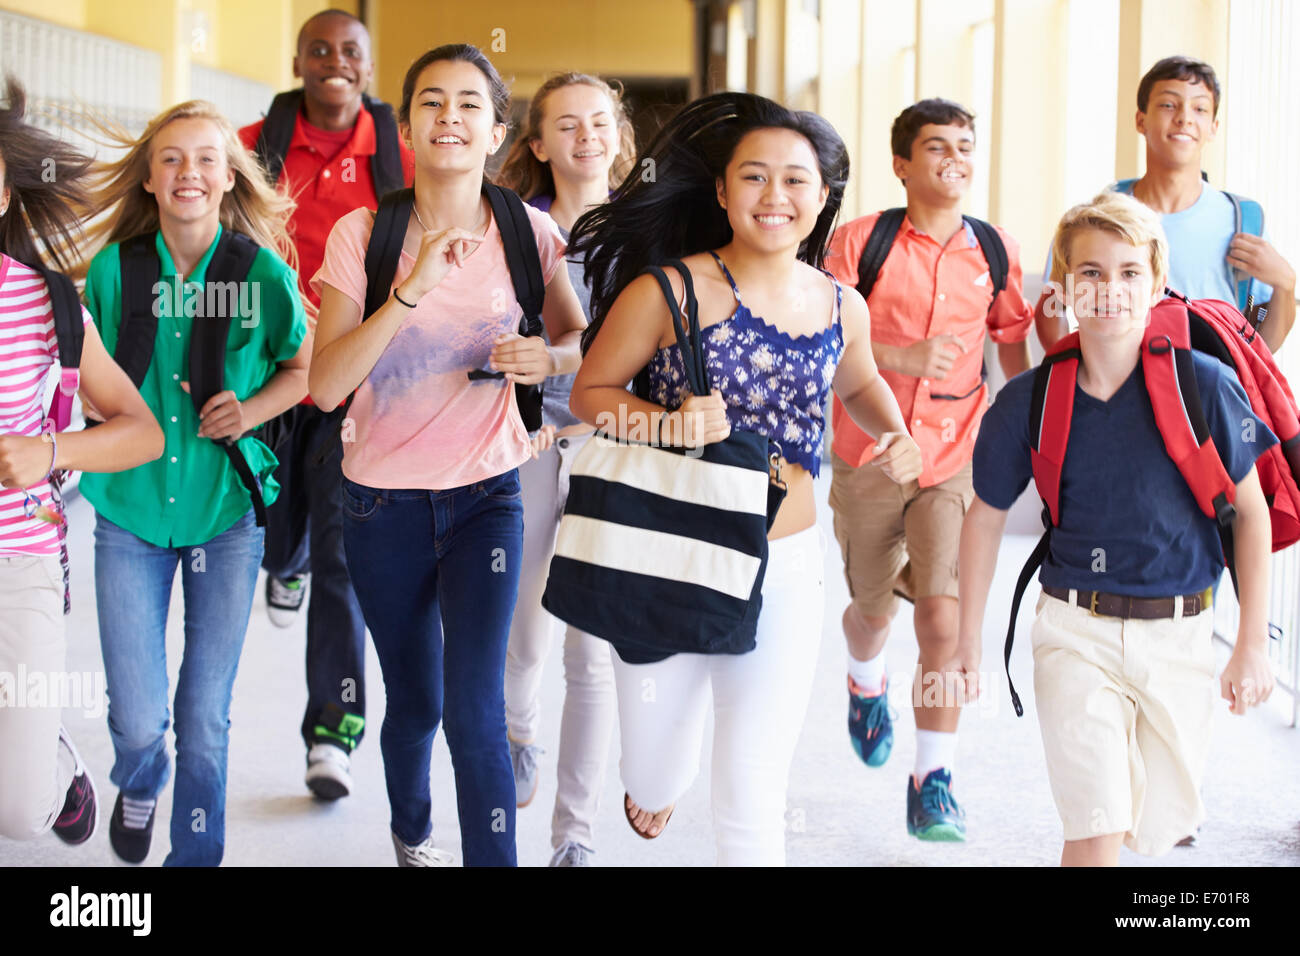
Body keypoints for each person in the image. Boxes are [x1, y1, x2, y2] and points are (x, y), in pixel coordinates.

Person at [567, 91, 923, 866]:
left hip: (786, 566)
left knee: (753, 793)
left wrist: (898, 436)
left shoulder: (841, 305)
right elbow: (588, 396)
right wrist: (665, 422)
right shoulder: (670, 291)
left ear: (822, 196)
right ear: (723, 192)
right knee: (657, 771)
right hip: (670, 558)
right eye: (754, 178)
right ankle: (655, 781)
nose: (775, 197)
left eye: (795, 180)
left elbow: (858, 385)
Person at [309, 44, 586, 867]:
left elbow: (577, 338)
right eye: (431, 102)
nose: (450, 118)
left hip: (485, 495)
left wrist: (548, 359)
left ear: (498, 131)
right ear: (407, 128)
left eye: (470, 105)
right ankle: (412, 831)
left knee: (474, 708)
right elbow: (325, 385)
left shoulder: (528, 231)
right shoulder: (366, 233)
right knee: (416, 703)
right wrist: (409, 291)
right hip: (379, 503)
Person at [953, 190, 1276, 866]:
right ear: (1065, 288)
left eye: (1130, 273)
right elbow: (983, 517)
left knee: (1155, 829)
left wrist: (1251, 645)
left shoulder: (1206, 386)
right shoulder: (1030, 400)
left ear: (1157, 283)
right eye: (1092, 274)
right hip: (1076, 631)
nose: (1111, 291)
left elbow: (1251, 514)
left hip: (1182, 636)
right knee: (1096, 827)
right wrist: (964, 643)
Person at [78, 101, 311, 866]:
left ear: (227, 177)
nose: (189, 173)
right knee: (141, 716)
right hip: (129, 510)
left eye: (207, 159)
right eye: (172, 159)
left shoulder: (260, 272)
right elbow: (84, 376)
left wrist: (249, 410)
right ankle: (140, 779)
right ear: (148, 179)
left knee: (204, 716)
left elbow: (302, 369)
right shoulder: (116, 272)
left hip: (225, 513)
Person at [822, 98, 1033, 841]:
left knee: (943, 617)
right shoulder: (860, 243)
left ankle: (932, 778)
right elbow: (815, 336)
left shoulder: (994, 251)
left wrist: (1026, 425)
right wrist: (899, 357)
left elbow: (1012, 342)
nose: (955, 157)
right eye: (936, 145)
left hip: (954, 459)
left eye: (966, 145)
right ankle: (864, 676)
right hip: (869, 455)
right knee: (874, 612)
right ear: (902, 164)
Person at [238, 6, 415, 801]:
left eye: (350, 51)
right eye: (319, 49)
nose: (334, 61)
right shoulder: (250, 147)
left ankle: (333, 731)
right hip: (272, 371)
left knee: (345, 552)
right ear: (300, 60)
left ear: (367, 68)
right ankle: (287, 559)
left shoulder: (401, 157)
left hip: (352, 377)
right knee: (275, 529)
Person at [0, 76, 163, 849]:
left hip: (19, 560)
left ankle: (56, 770)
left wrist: (50, 450)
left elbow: (142, 432)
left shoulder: (46, 305)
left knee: (17, 814)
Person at [494, 71, 635, 867]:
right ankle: (518, 729)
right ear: (539, 145)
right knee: (526, 621)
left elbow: (652, 344)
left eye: (601, 121)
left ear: (619, 134)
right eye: (567, 125)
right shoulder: (518, 230)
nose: (587, 136)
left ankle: (573, 835)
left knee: (593, 650)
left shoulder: (650, 231)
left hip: (612, 445)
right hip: (530, 438)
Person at [1037, 56, 1295, 352]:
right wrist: (1076, 375)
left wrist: (1285, 285)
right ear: (1140, 120)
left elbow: (1259, 352)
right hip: (1121, 394)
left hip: (1207, 395)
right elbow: (1051, 308)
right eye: (1168, 105)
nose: (1184, 118)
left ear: (1213, 127)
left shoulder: (1242, 219)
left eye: (1199, 109)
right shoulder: (1096, 219)